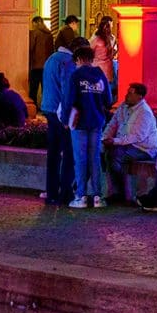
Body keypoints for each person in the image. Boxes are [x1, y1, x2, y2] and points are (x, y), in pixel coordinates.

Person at [66, 45, 112, 208]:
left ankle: (81, 196)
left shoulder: (76, 75)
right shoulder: (100, 75)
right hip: (97, 121)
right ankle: (98, 196)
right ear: (92, 58)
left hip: (79, 122)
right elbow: (108, 100)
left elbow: (69, 99)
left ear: (78, 59)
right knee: (95, 158)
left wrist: (65, 119)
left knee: (80, 159)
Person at [104, 82, 157, 205]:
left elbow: (137, 136)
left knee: (116, 155)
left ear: (140, 96)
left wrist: (115, 141)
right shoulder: (123, 107)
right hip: (127, 145)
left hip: (145, 149)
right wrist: (105, 138)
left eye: (130, 93)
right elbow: (113, 124)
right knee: (109, 153)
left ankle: (120, 194)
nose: (126, 95)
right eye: (127, 92)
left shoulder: (144, 112)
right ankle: (116, 192)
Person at [40, 37, 78, 206]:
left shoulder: (51, 59)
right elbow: (67, 90)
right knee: (69, 153)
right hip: (59, 111)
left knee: (53, 153)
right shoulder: (68, 62)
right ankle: (65, 192)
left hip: (48, 108)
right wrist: (66, 117)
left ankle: (51, 191)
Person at [28, 17, 56, 104]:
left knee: (33, 89)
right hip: (47, 65)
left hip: (35, 65)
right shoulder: (49, 34)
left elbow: (30, 48)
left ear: (36, 23)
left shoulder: (35, 33)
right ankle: (46, 107)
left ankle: (33, 107)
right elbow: (52, 50)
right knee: (46, 89)